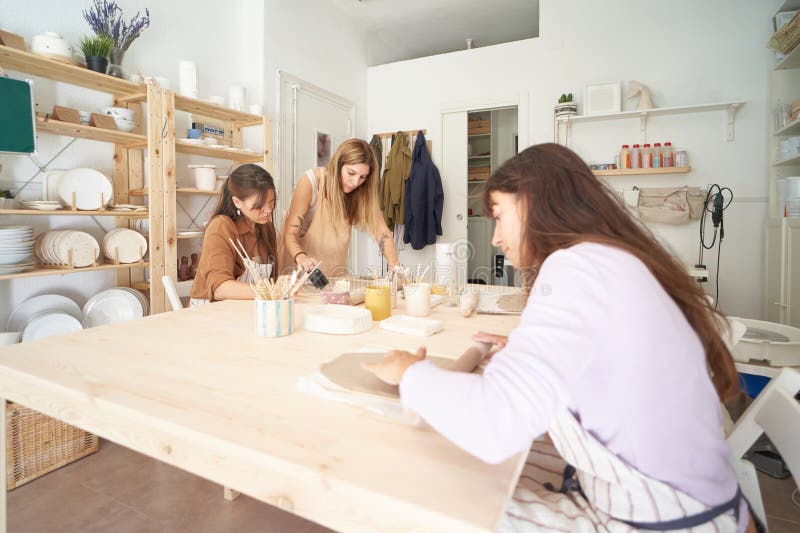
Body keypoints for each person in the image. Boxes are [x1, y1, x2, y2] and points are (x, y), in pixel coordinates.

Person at [364, 143, 755, 532]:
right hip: (695, 499)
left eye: (500, 217)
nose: (497, 237)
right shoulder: (609, 257)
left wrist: (410, 371)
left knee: (418, 491)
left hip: (664, 517)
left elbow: (495, 423)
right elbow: (602, 355)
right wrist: (528, 352)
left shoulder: (576, 268)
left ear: (535, 201)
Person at [281, 138, 399, 278]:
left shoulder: (362, 192)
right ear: (338, 164)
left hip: (334, 274)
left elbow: (382, 232)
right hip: (299, 272)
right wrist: (302, 258)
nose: (356, 182)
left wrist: (396, 268)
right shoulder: (312, 181)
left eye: (363, 177)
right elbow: (289, 234)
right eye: (351, 173)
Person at [190, 164, 278, 304]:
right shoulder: (221, 227)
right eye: (258, 206)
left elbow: (271, 280)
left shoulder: (265, 228)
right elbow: (220, 288)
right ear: (237, 202)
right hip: (212, 313)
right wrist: (271, 291)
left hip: (247, 309)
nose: (268, 210)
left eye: (272, 202)